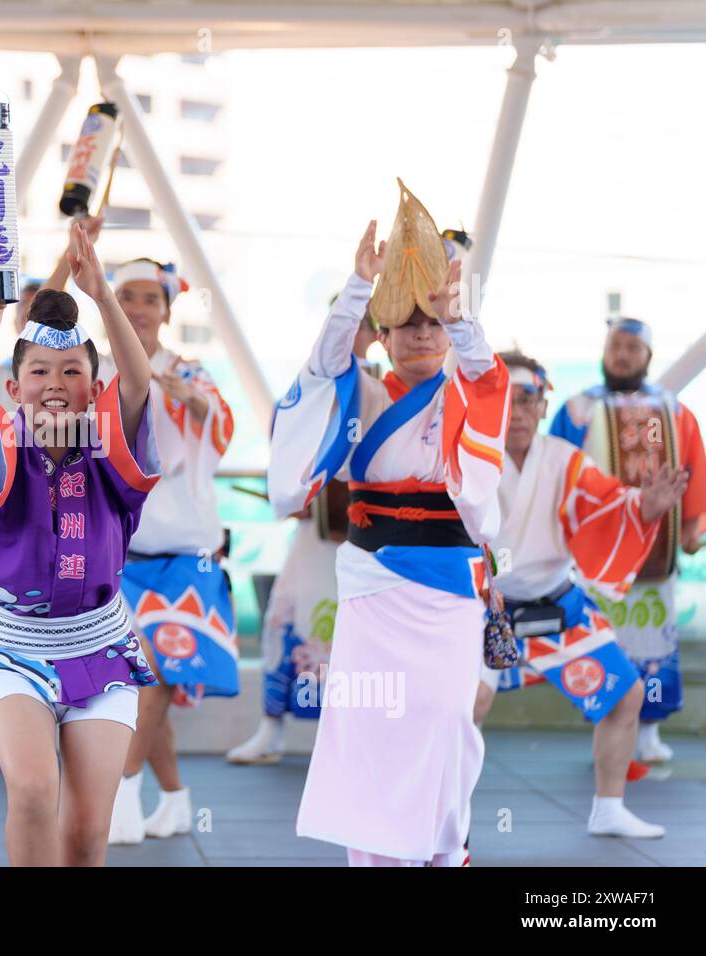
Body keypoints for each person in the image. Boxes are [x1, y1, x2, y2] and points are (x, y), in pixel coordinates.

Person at [267, 183, 508, 866]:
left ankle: (442, 849)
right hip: (374, 582)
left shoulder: (468, 393)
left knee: (446, 723)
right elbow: (319, 372)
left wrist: (459, 318)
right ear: (384, 331)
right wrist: (355, 290)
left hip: (448, 588)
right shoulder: (363, 390)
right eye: (405, 324)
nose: (421, 336)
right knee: (370, 725)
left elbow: (487, 375)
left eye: (432, 325)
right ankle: (376, 858)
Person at [0, 221, 160, 866]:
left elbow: (138, 386)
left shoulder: (108, 457)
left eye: (72, 371)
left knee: (86, 831)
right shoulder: (2, 451)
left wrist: (101, 294)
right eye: (38, 370)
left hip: (100, 643)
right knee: (35, 789)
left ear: (91, 390)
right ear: (16, 388)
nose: (54, 382)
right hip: (15, 649)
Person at [474, 350, 686, 839]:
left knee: (625, 695)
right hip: (486, 614)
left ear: (544, 406)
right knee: (467, 708)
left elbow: (606, 501)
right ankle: (440, 814)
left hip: (556, 604)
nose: (519, 411)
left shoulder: (563, 460)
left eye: (529, 400)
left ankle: (608, 807)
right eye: (508, 398)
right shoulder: (472, 459)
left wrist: (645, 506)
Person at [96, 257, 238, 845]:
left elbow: (222, 427)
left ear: (166, 309)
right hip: (117, 552)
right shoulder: (90, 372)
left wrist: (192, 401)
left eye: (149, 298)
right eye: (124, 295)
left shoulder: (188, 372)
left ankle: (122, 789)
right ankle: (175, 798)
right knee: (136, 680)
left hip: (185, 554)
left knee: (150, 675)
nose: (137, 307)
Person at [550, 317, 706, 763]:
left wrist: (695, 524)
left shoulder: (673, 409)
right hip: (598, 553)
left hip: (657, 559)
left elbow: (693, 465)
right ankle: (609, 726)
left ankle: (649, 731)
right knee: (603, 639)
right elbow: (555, 467)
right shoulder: (578, 408)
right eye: (615, 345)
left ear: (648, 357)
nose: (621, 354)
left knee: (655, 639)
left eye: (631, 348)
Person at [228, 312, 379, 765]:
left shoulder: (385, 386)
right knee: (283, 620)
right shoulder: (304, 391)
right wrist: (292, 495)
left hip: (372, 538)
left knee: (359, 633)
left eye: (362, 326)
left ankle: (350, 739)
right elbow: (285, 463)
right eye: (343, 324)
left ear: (377, 334)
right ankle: (272, 729)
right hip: (313, 535)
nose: (352, 334)